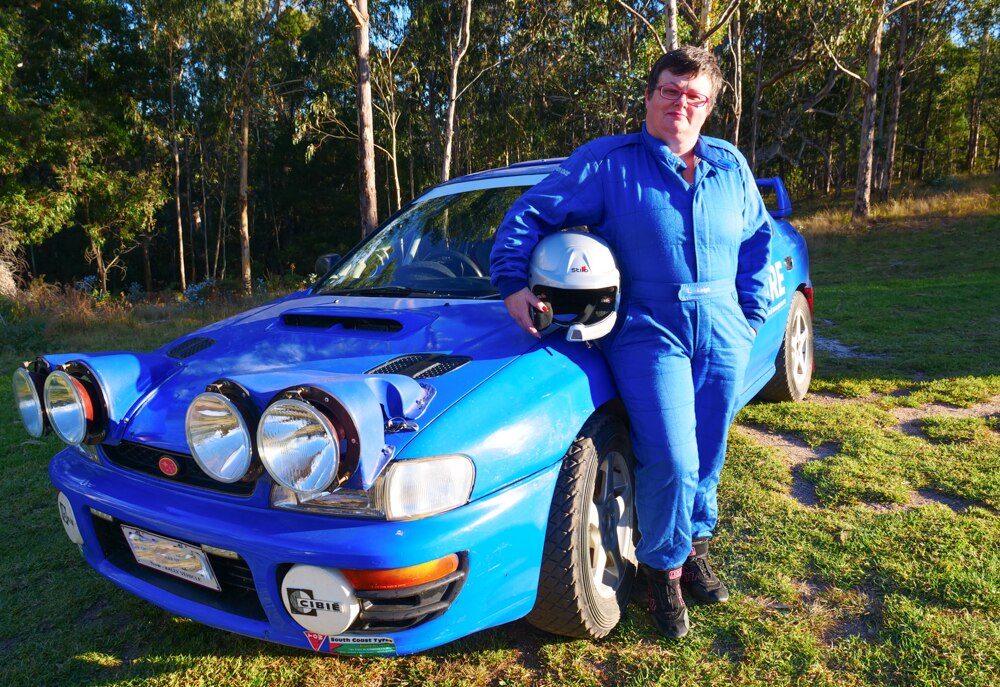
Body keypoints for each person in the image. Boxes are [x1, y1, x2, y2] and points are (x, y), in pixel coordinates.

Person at [489, 46, 773, 638]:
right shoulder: (606, 163)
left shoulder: (729, 165)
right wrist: (513, 280)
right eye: (671, 91)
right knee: (670, 455)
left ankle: (692, 543)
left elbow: (758, 239)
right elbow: (528, 214)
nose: (681, 104)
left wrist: (749, 314)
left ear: (710, 105)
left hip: (722, 324)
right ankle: (662, 573)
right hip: (649, 327)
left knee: (708, 447)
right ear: (649, 96)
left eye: (695, 96)